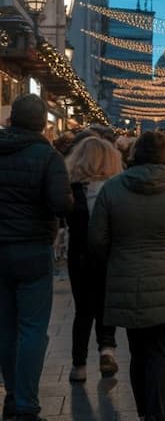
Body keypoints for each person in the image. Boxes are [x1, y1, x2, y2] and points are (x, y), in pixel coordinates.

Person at [89, 130, 165, 421]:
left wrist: (116, 259)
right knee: (162, 354)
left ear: (134, 154)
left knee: (138, 351)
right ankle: (155, 413)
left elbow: (97, 239)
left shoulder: (112, 189)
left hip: (126, 279)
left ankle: (145, 411)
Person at [0, 94, 72, 421]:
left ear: (11, 118)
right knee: (32, 328)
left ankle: (12, 395)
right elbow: (59, 204)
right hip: (32, 249)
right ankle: (27, 404)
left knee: (5, 326)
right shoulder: (48, 156)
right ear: (43, 122)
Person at [64, 136, 123, 383]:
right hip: (108, 254)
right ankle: (107, 349)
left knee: (83, 310)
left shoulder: (71, 189)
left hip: (78, 255)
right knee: (106, 305)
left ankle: (78, 365)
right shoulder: (115, 189)